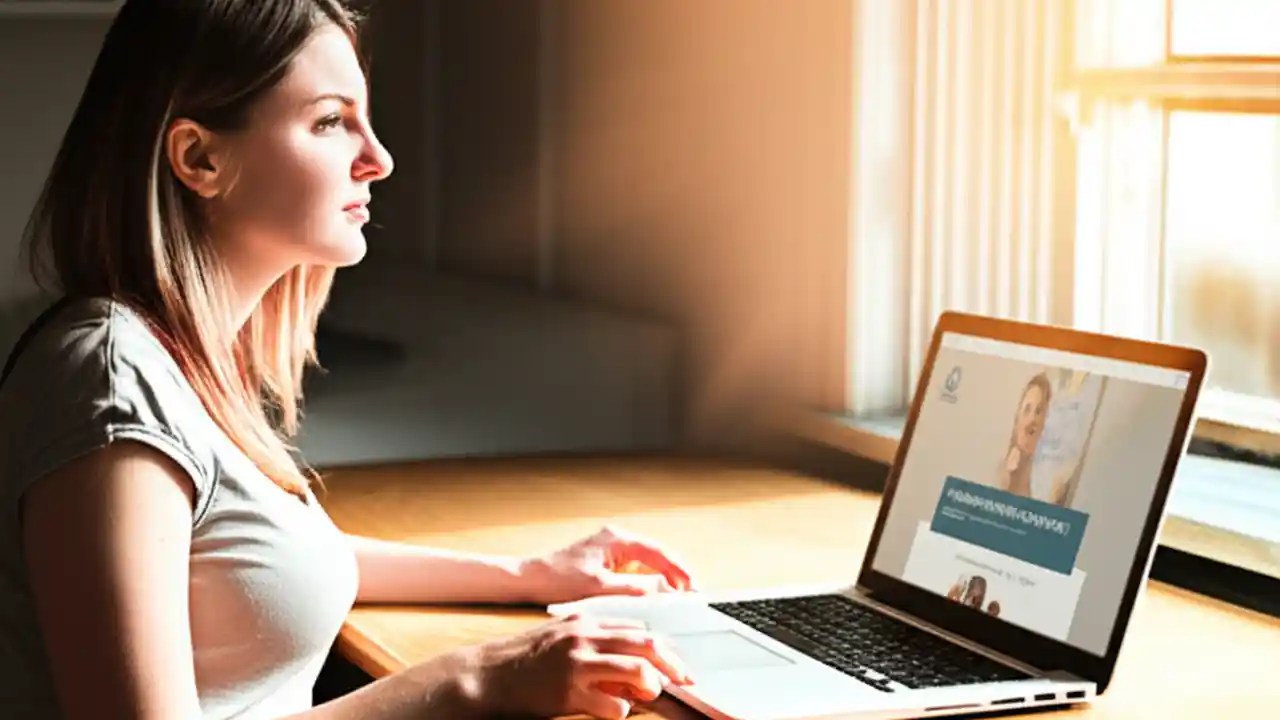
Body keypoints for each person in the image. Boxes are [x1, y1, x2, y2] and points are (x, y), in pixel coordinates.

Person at [0, 2, 695, 718]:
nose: (379, 158)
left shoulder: (176, 362)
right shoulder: (111, 384)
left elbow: (262, 562)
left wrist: (526, 575)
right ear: (200, 158)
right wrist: (477, 678)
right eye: (330, 121)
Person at [995, 373, 1053, 499]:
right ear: (1017, 419)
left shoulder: (1045, 478)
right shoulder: (1001, 470)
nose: (1033, 419)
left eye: (1038, 411)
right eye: (1027, 410)